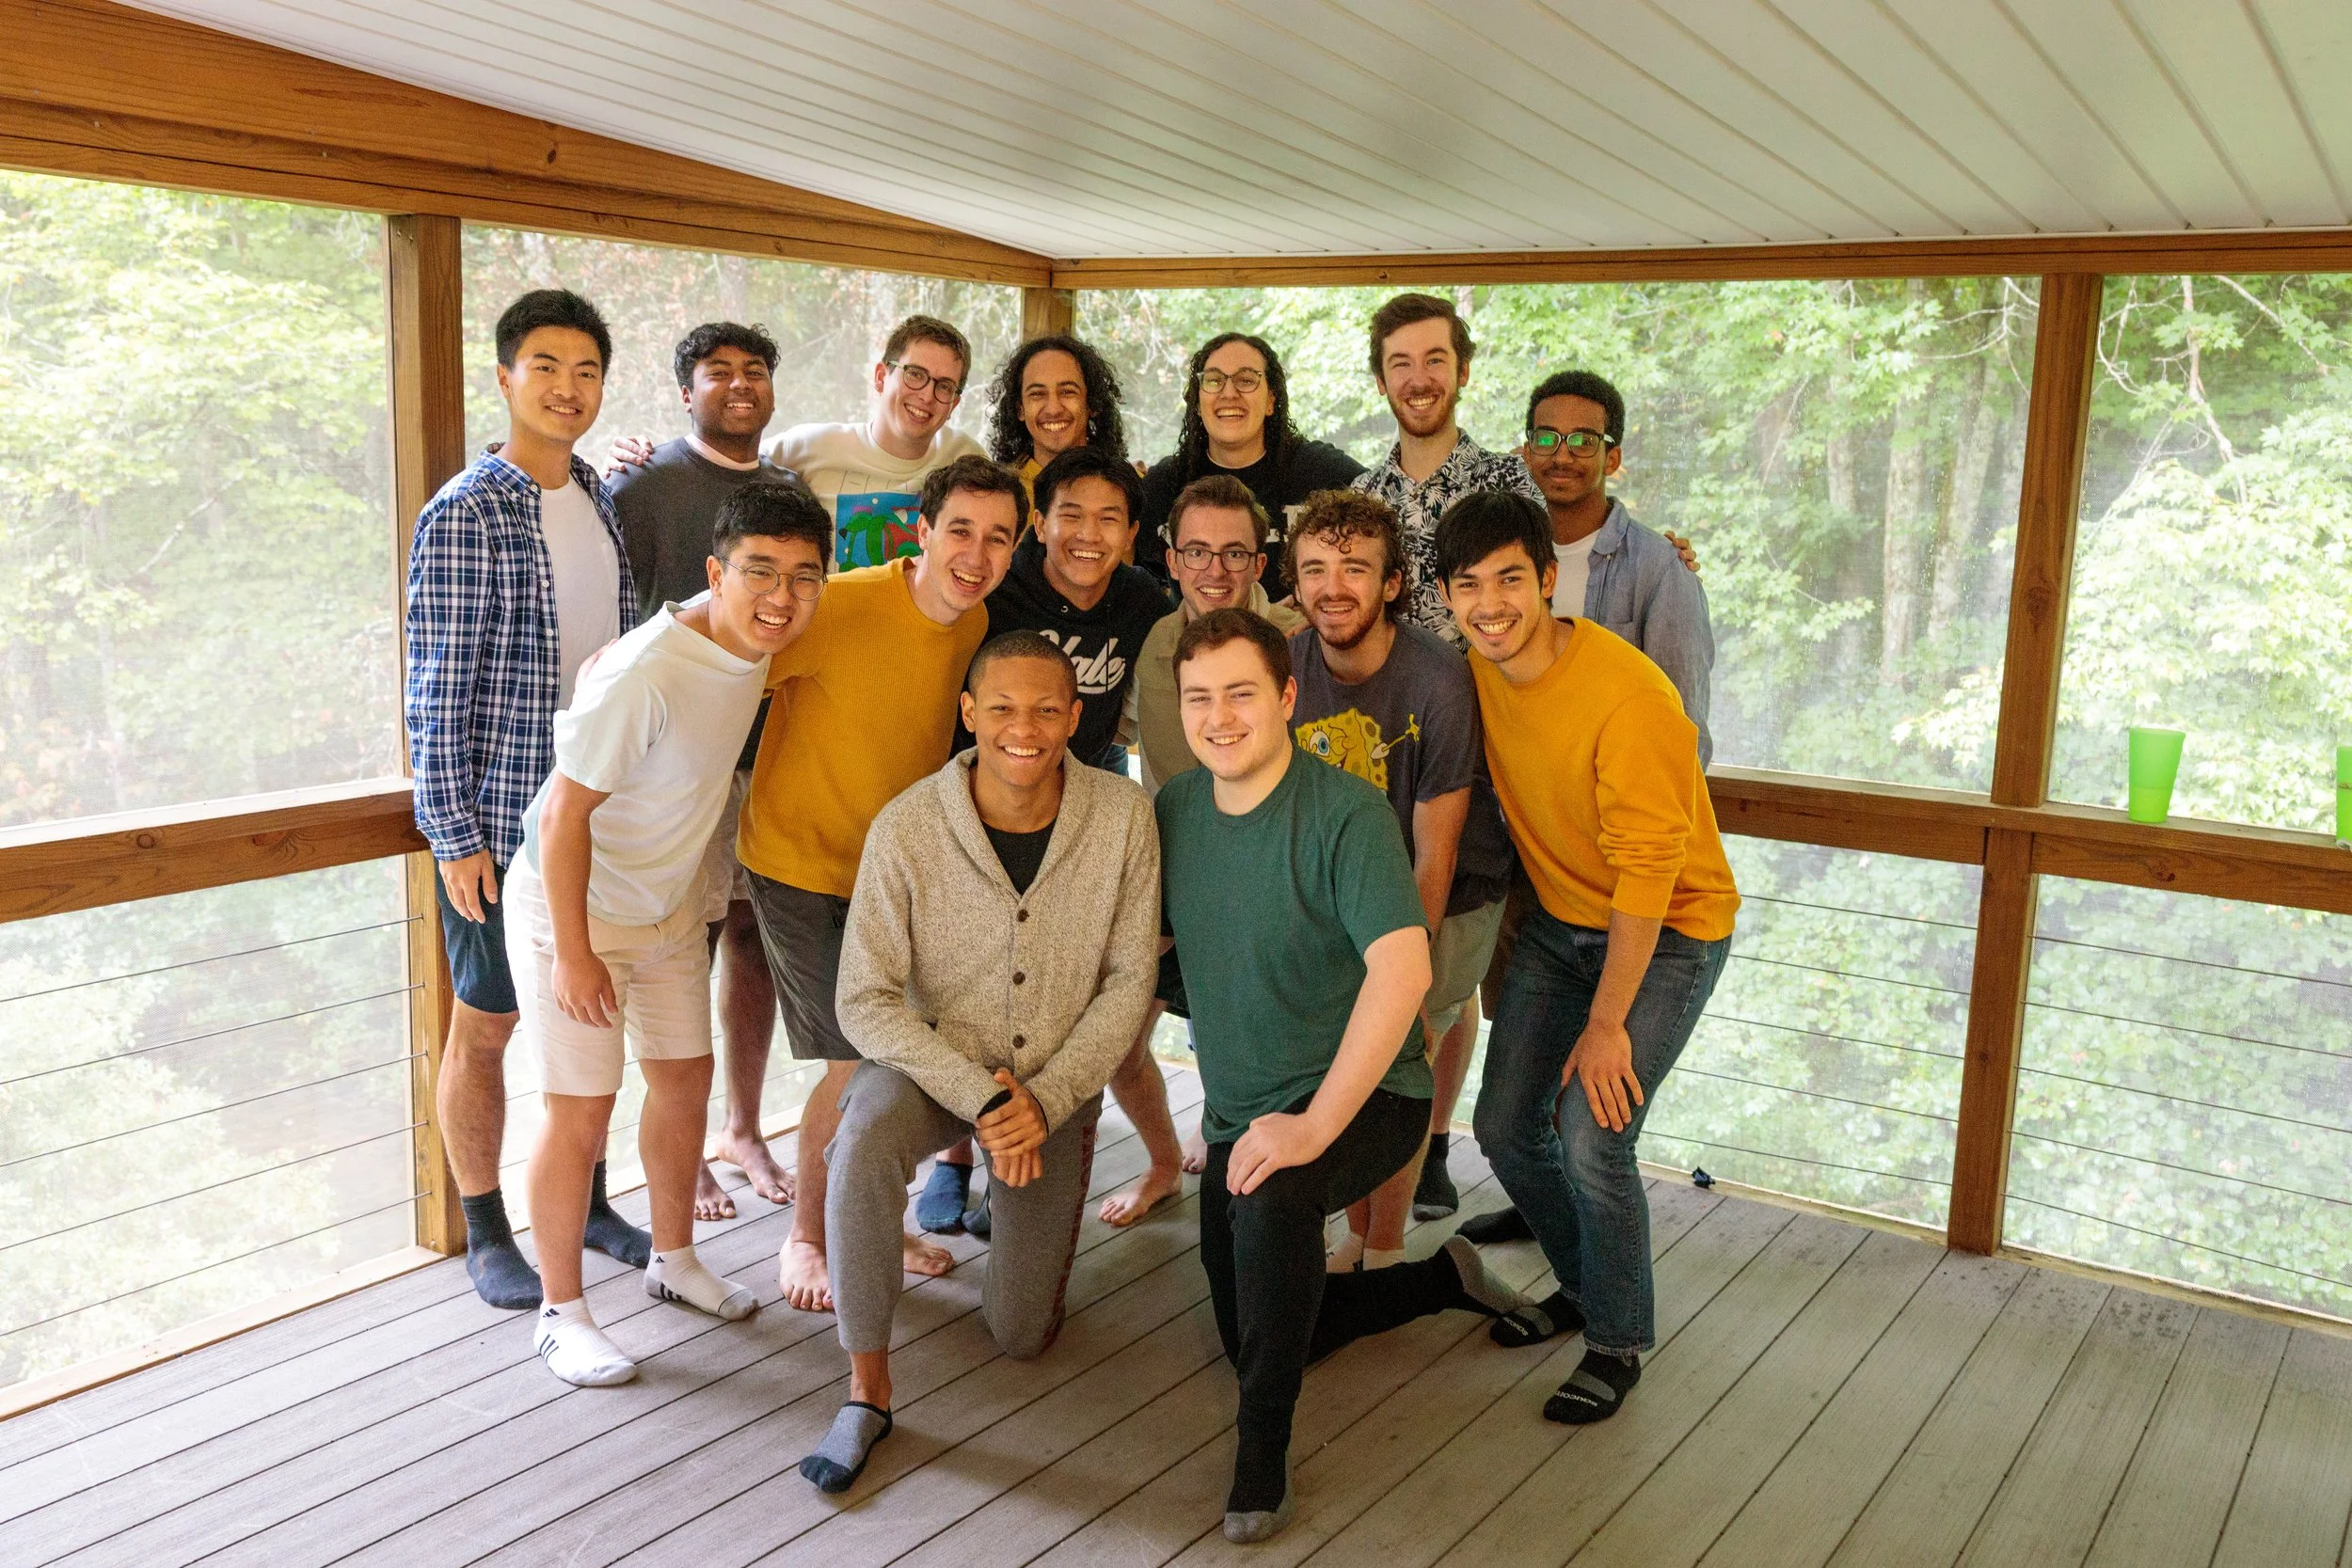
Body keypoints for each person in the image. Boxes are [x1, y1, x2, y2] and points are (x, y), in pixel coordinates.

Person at [1159, 609, 1527, 1544]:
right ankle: (1439, 1278)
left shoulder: (1347, 815)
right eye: (1199, 697)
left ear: (1287, 696)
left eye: (1241, 692)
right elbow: (1146, 946)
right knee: (1261, 1327)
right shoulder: (1175, 813)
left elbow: (1402, 974)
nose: (1219, 716)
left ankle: (1261, 1457)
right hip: (1242, 1110)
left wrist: (1316, 1124)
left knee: (1275, 1206)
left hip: (1368, 1096)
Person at [800, 633, 1160, 1493]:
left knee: (1021, 1333)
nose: (1022, 728)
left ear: (1075, 717)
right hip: (936, 1071)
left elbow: (1128, 981)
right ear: (969, 713)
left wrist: (1046, 1099)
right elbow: (864, 999)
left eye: (1045, 710)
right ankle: (866, 1389)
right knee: (864, 1134)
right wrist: (986, 1104)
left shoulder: (1123, 815)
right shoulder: (908, 824)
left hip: (1053, 1085)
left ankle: (1007, 1197)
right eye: (1001, 707)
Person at [508, 480, 831, 1386]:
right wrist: (575, 951)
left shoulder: (756, 638)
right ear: (716, 574)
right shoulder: (646, 669)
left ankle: (674, 1258)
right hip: (571, 909)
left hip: (666, 907)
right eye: (759, 572)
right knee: (580, 1110)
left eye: (803, 576)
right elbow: (562, 815)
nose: (781, 596)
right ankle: (561, 1313)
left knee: (686, 1081)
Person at [1437, 490, 1740, 1427]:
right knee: (1503, 1124)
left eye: (1509, 580)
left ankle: (1616, 1339)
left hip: (1671, 926)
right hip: (1563, 920)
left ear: (1547, 580)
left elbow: (1650, 872)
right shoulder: (1472, 668)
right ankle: (1584, 1283)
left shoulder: (1628, 695)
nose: (1489, 604)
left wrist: (1607, 1022)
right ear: (1445, 596)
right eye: (1467, 585)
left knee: (1593, 1133)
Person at [404, 288, 650, 1310]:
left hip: (595, 820)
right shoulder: (467, 510)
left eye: (586, 371)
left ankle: (585, 1202)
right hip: (500, 827)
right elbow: (433, 689)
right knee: (488, 1023)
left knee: (586, 1014)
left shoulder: (596, 495)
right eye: (544, 366)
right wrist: (453, 834)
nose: (566, 387)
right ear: (505, 377)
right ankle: (483, 1226)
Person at [735, 453, 1025, 1312]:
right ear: (922, 532)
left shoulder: (976, 625)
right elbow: (731, 639)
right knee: (854, 1058)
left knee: (891, 1051)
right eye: (960, 531)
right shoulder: (842, 603)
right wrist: (638, 651)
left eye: (998, 538)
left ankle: (870, 1219)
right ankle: (807, 1236)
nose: (976, 554)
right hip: (795, 861)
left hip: (887, 875)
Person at [1458, 369, 1721, 1245]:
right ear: (1523, 446)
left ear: (1614, 455)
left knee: (1593, 1116)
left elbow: (1679, 729)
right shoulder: (1496, 542)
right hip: (1532, 868)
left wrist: (1633, 825)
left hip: (1633, 875)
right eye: (1547, 435)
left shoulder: (1656, 570)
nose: (1563, 452)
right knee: (1518, 1099)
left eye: (1584, 439)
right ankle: (1553, 1220)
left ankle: (1593, 1269)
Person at [918, 447, 1169, 1235]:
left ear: (1132, 533)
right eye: (1071, 515)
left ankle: (1029, 1161)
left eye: (1109, 519)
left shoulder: (1141, 601)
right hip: (975, 799)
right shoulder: (1002, 588)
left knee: (1052, 993)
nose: (1088, 534)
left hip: (1075, 805)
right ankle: (955, 1157)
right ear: (1040, 523)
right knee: (960, 982)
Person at [1281, 490, 1512, 1264]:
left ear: (1391, 583)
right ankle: (1355, 1236)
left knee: (1399, 1060)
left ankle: (1381, 1249)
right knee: (1345, 1056)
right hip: (1346, 893)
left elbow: (1434, 856)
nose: (1333, 586)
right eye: (1315, 568)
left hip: (1449, 891)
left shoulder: (1437, 680)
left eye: (1354, 567)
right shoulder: (1288, 666)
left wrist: (1405, 986)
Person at [608, 320, 796, 1222]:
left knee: (755, 940)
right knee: (691, 944)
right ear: (687, 392)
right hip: (681, 762)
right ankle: (681, 1154)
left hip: (772, 752)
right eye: (718, 372)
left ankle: (742, 1127)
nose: (739, 384)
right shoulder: (642, 486)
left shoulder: (788, 492)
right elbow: (614, 612)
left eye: (754, 370)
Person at [1093, 473, 1308, 1228]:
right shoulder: (1154, 640)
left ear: (1259, 561)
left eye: (1234, 552)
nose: (1215, 569)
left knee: (1257, 1053)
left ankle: (1262, 1192)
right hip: (1172, 876)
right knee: (1117, 1042)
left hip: (1268, 885)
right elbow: (1116, 734)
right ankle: (1162, 1164)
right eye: (1198, 552)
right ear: (1171, 559)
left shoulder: (1296, 640)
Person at [609, 314, 984, 571]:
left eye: (944, 386)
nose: (927, 394)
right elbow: (726, 456)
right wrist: (639, 455)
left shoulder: (966, 458)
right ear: (881, 377)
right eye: (915, 374)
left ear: (955, 403)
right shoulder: (807, 447)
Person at [1349, 293, 1544, 637]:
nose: (1419, 380)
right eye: (1401, 364)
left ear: (1463, 371)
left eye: (1435, 360)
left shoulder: (1514, 483)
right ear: (1381, 380)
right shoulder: (1360, 498)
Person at [1137, 332, 1364, 593]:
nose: (1229, 393)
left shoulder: (1322, 472)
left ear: (1270, 401)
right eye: (1214, 381)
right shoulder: (1164, 484)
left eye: (1246, 380)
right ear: (1198, 403)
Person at [983, 334, 1135, 504]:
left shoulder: (1130, 489)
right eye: (1037, 394)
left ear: (1092, 403)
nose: (1053, 409)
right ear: (1020, 409)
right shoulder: (996, 495)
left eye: (1067, 392)